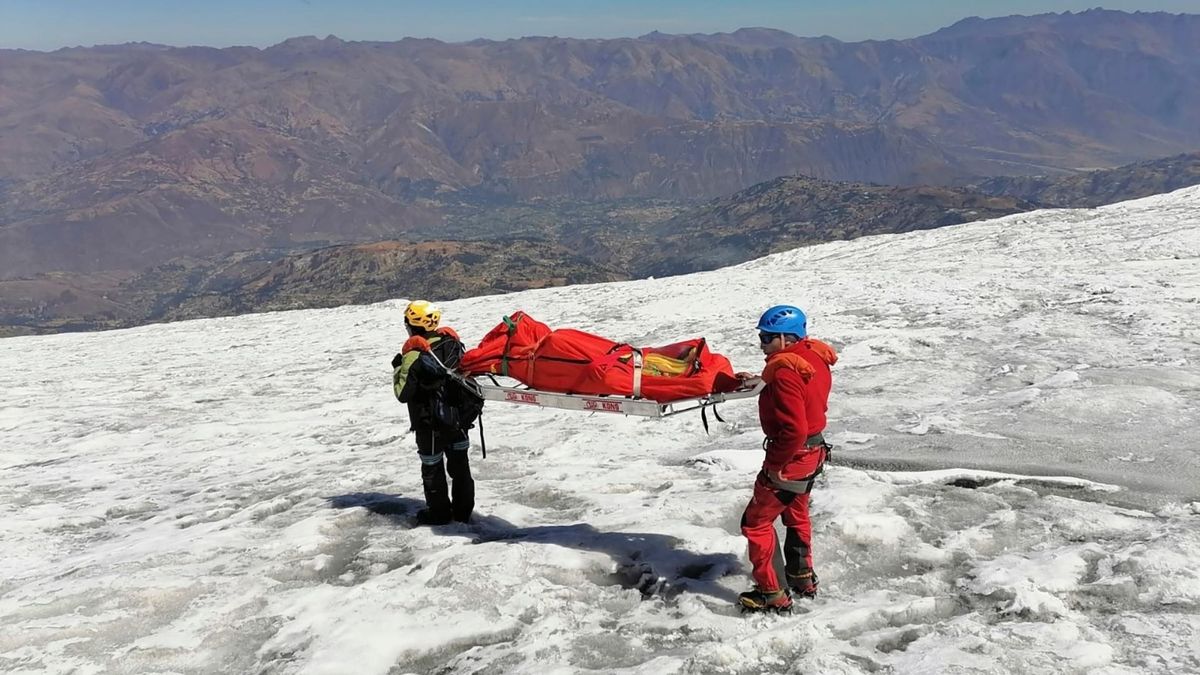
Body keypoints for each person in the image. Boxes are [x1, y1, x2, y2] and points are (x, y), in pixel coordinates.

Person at [735, 304, 838, 612]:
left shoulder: (784, 372)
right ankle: (801, 576)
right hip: (813, 453)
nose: (762, 344)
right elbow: (802, 389)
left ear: (785, 338)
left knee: (756, 523)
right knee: (796, 514)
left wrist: (776, 466)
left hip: (793, 457)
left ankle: (772, 593)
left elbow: (794, 429)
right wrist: (761, 380)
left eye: (767, 338)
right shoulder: (812, 356)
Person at [391, 300, 475, 525]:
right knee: (460, 467)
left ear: (412, 325)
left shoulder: (413, 355)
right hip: (457, 420)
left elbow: (402, 393)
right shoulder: (453, 343)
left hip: (429, 424)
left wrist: (398, 367)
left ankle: (439, 515)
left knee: (432, 468)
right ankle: (463, 513)